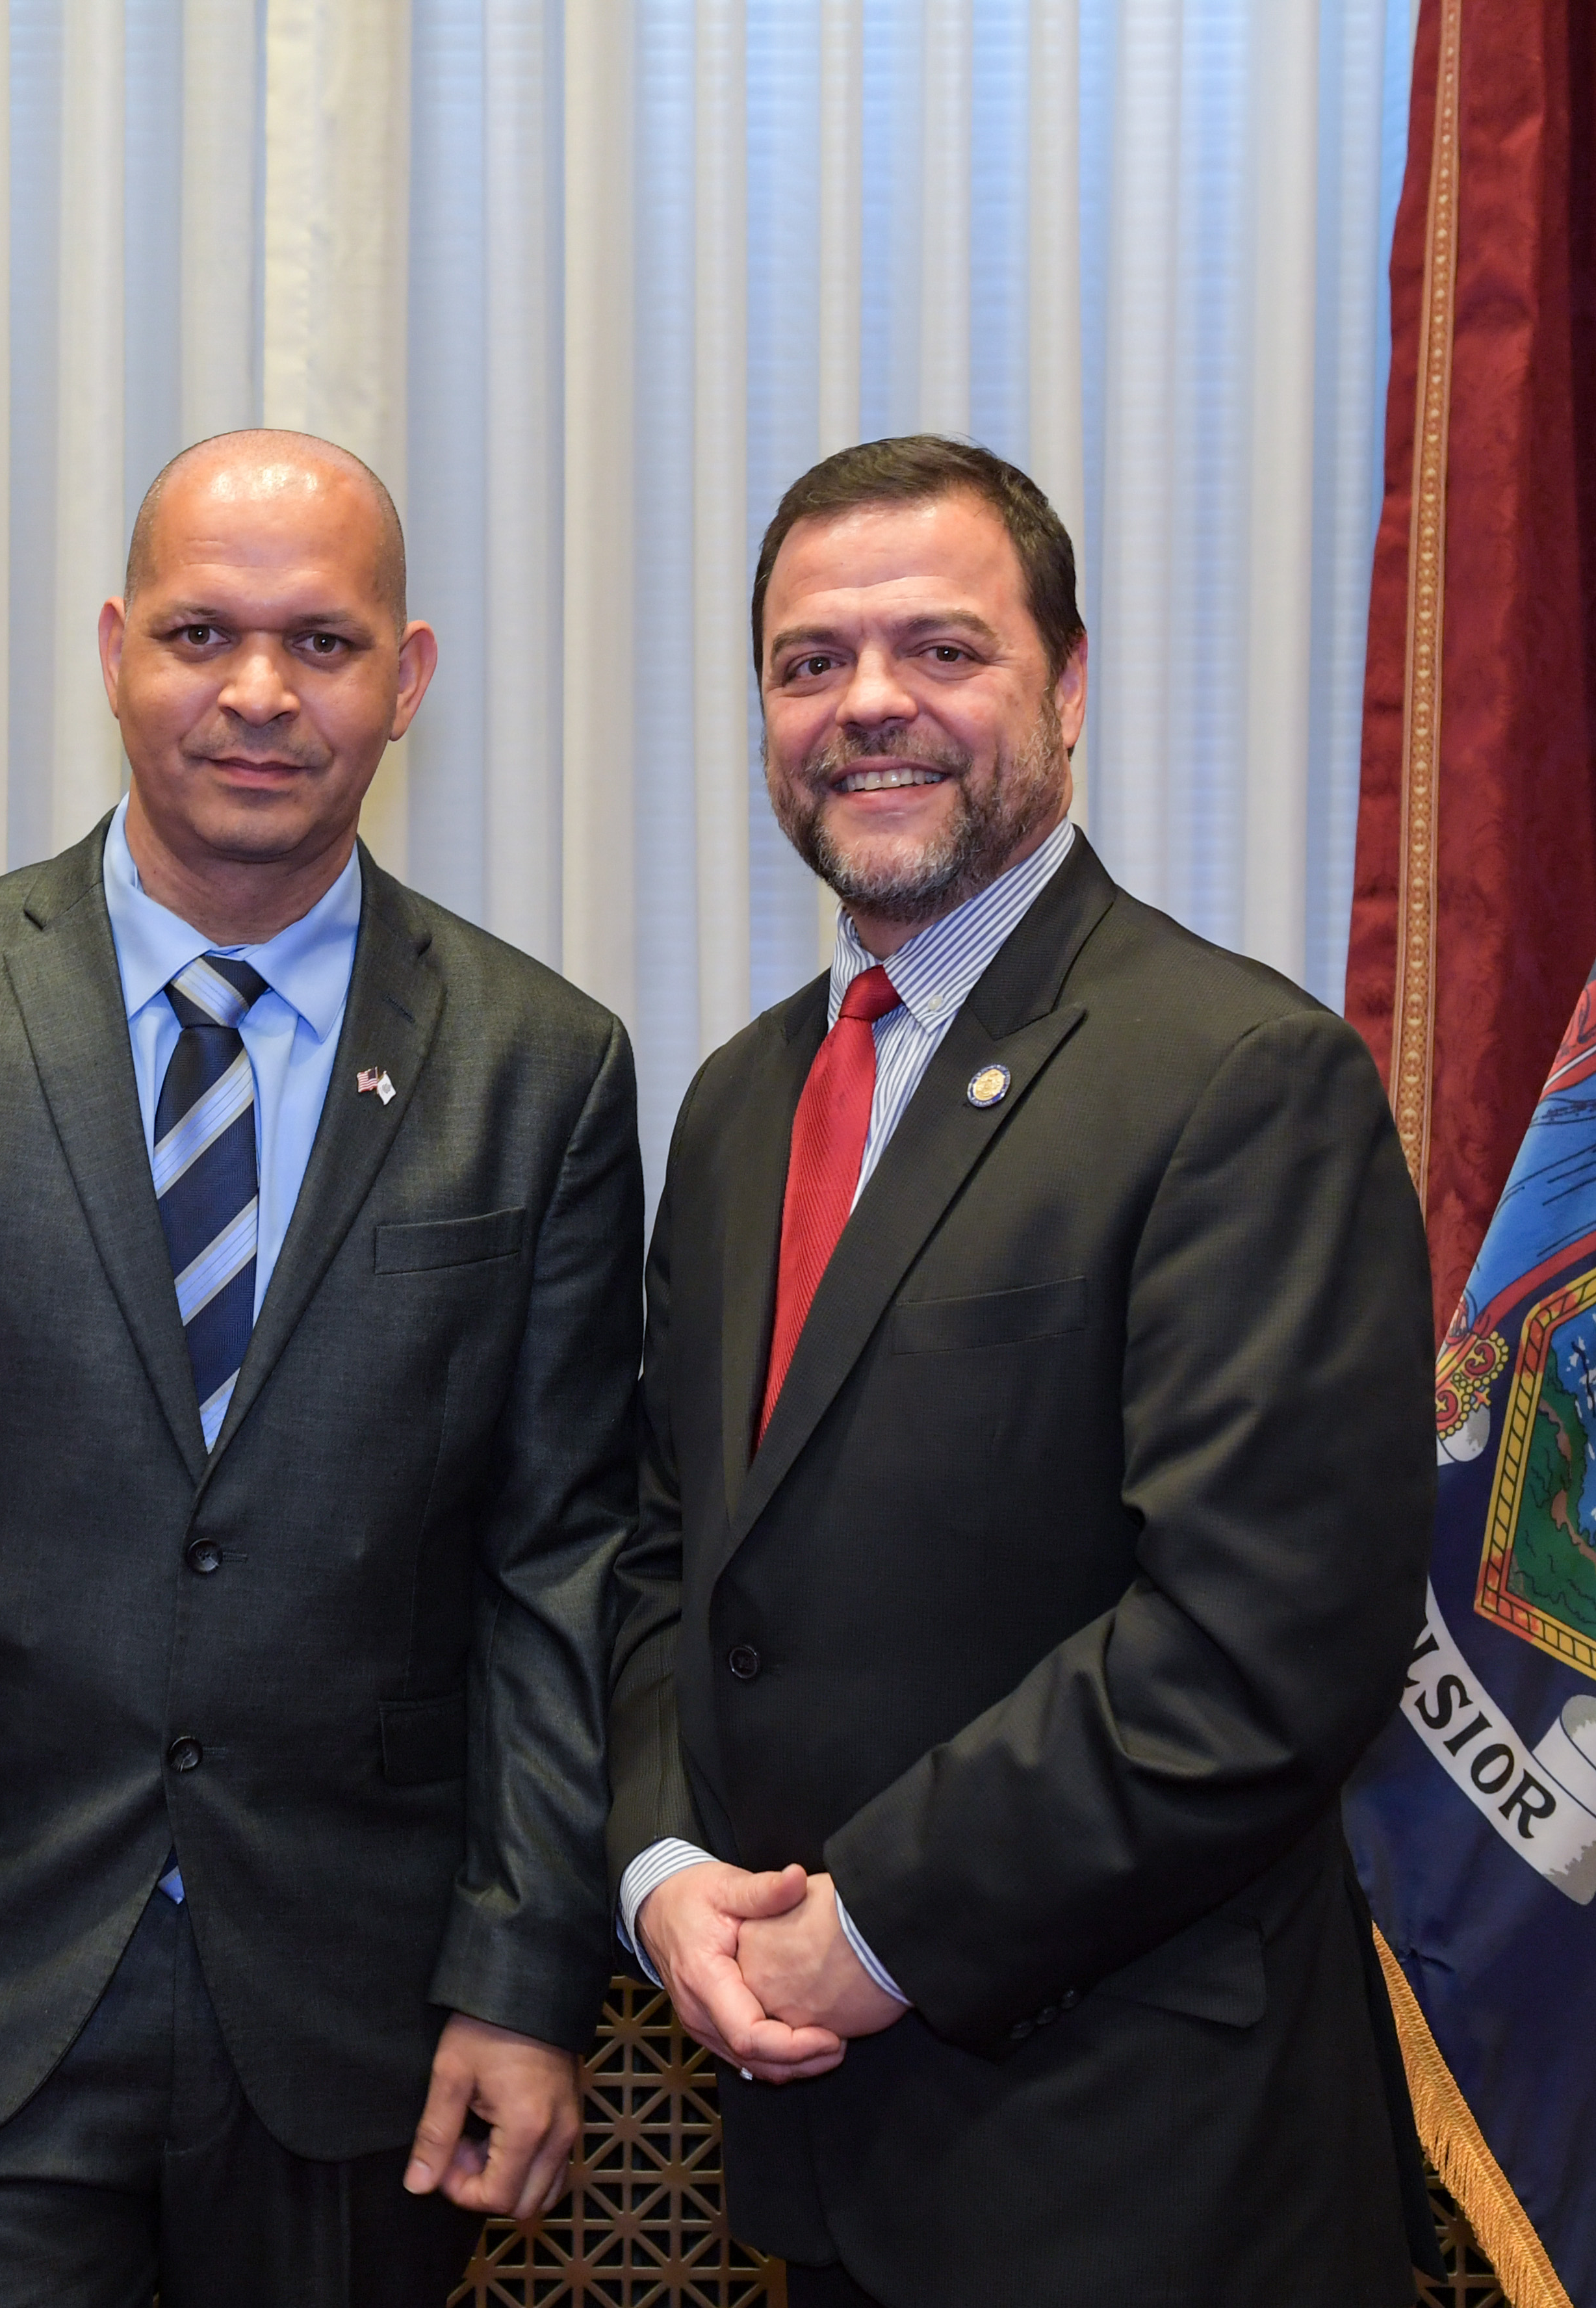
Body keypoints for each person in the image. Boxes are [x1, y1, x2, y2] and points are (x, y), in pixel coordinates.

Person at [0, 429, 637, 2307]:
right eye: (199, 631)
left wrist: (521, 1973)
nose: (255, 691)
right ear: (112, 651)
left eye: (323, 642)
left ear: (412, 678)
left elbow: (557, 1570)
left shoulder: (542, 1067)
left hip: (363, 2035)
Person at [608, 437, 1436, 2306]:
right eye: (811, 661)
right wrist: (664, 1863)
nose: (870, 703)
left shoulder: (1239, 1079)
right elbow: (674, 1555)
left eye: (942, 649)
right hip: (830, 2161)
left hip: (1152, 2176)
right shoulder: (745, 1105)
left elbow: (1257, 1644)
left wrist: (882, 1923)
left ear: (1069, 686)